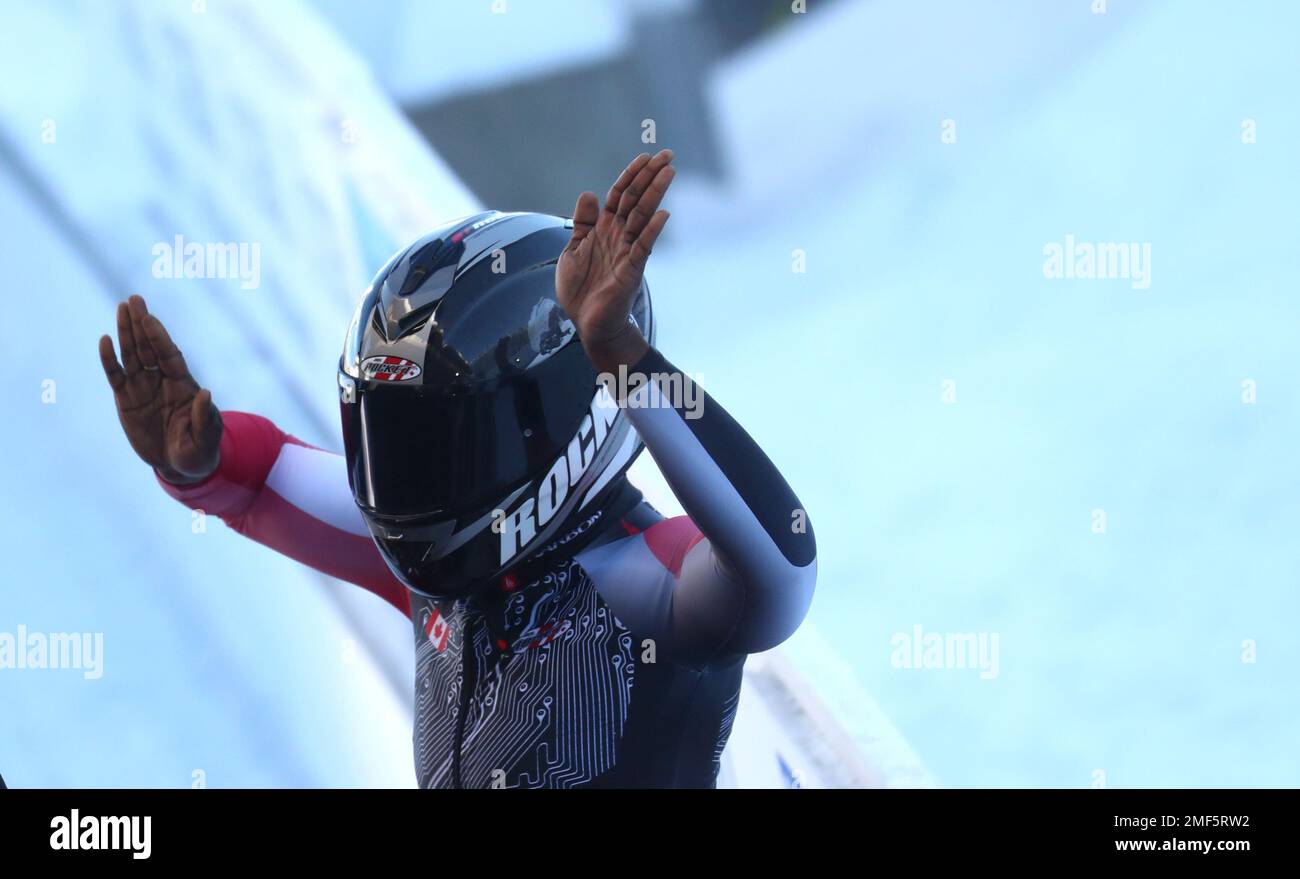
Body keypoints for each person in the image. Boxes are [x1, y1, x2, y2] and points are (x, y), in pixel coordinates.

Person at [99, 150, 817, 788]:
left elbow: (780, 566)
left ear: (548, 417)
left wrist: (621, 355)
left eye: (436, 442)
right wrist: (199, 460)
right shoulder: (441, 576)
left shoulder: (642, 583)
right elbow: (259, 481)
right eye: (396, 441)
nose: (407, 483)